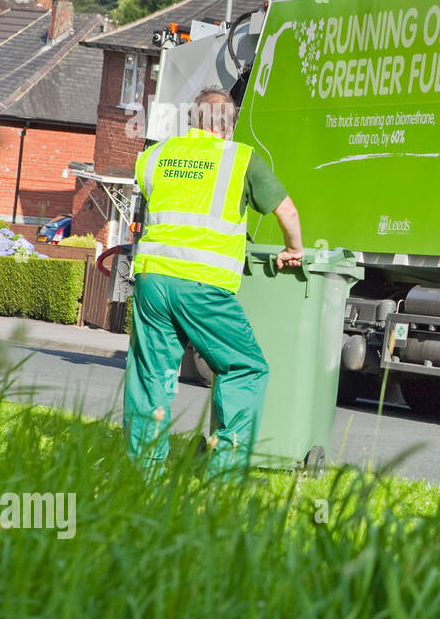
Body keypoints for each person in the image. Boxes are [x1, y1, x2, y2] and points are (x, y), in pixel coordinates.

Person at [123, 87, 304, 476]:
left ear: (193, 120)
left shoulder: (155, 155)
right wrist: (294, 250)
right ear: (228, 126)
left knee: (150, 372)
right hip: (203, 286)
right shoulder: (240, 160)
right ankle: (222, 472)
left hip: (153, 282)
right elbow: (287, 212)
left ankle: (144, 474)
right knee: (244, 367)